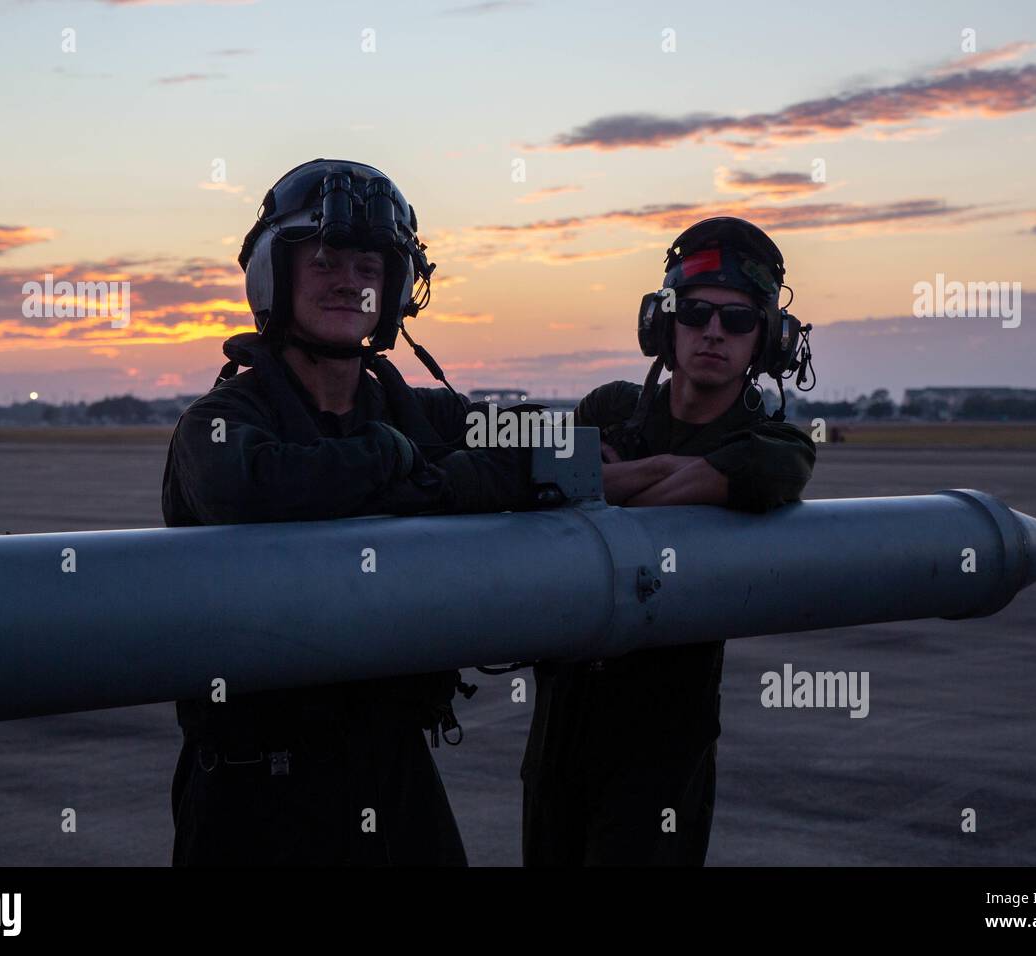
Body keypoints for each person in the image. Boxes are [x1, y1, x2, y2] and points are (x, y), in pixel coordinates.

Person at [161, 158, 533, 866]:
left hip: (389, 764)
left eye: (369, 263)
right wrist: (399, 462)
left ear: (395, 289)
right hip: (254, 786)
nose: (348, 279)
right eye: (324, 259)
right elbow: (252, 491)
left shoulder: (417, 410)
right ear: (275, 275)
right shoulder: (217, 423)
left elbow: (535, 447)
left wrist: (413, 474)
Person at [520, 216, 818, 866]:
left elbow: (574, 498)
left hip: (663, 739)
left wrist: (607, 486)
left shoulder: (775, 444)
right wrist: (665, 476)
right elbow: (540, 498)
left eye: (738, 320)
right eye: (696, 312)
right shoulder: (607, 408)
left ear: (766, 340)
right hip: (560, 723)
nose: (713, 331)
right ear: (664, 324)